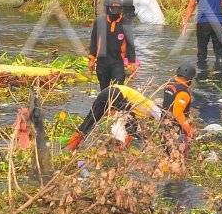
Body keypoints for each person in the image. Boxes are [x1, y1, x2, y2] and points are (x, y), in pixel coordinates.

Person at [64, 63, 195, 151]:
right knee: (130, 126)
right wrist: (187, 130)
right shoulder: (154, 110)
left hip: (109, 91)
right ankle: (120, 149)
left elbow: (140, 124)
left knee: (89, 121)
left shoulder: (147, 104)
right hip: (119, 94)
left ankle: (70, 148)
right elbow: (171, 116)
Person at [87, 0, 138, 90]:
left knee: (118, 88)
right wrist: (91, 59)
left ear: (121, 10)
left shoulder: (126, 24)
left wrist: (132, 64)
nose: (115, 13)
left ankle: (116, 104)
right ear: (109, 9)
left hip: (117, 62)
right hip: (102, 62)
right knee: (104, 89)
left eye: (118, 10)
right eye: (113, 10)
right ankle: (106, 104)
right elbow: (94, 40)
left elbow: (130, 45)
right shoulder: (100, 21)